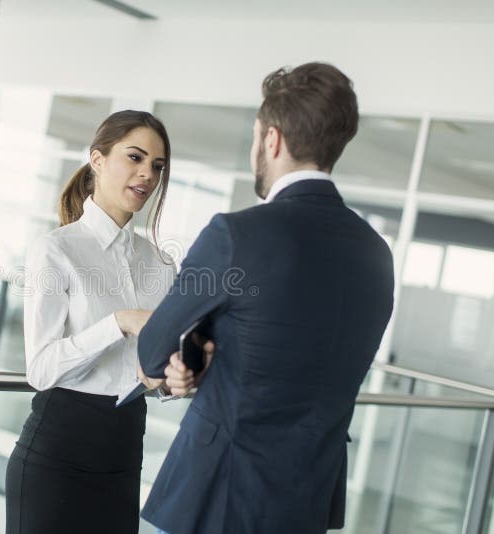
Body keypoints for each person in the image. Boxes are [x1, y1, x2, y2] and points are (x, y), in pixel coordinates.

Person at [138, 62, 396, 534]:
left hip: (215, 500)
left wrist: (195, 355)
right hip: (306, 504)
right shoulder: (377, 254)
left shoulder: (236, 235)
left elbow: (153, 350)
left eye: (257, 137)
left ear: (271, 139)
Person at [5, 110, 183, 534]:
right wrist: (118, 323)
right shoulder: (55, 250)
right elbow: (41, 369)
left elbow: (150, 377)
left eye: (157, 166)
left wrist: (171, 380)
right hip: (56, 455)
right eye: (135, 158)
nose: (147, 175)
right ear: (97, 160)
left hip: (124, 457)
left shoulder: (161, 263)